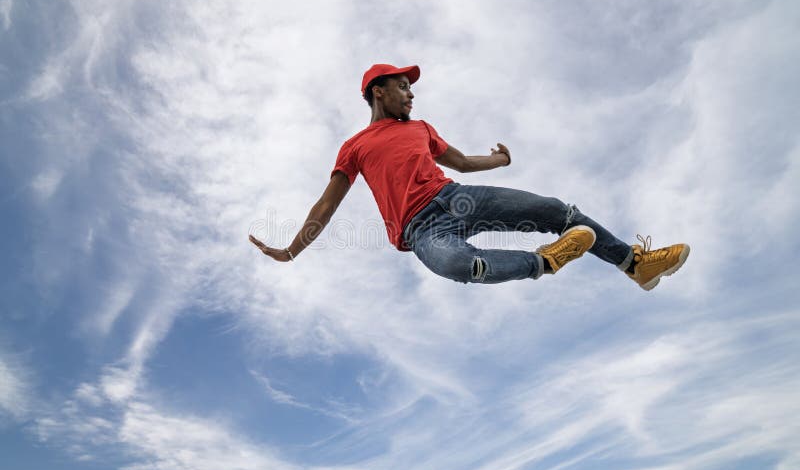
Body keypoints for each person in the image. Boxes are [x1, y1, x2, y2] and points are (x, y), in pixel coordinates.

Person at [249, 64, 689, 290]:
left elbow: (457, 161)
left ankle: (635, 264)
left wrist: (497, 161)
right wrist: (292, 250)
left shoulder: (420, 129)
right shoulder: (355, 146)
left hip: (458, 198)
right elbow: (327, 205)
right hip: (420, 229)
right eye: (404, 87)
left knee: (558, 210)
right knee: (461, 265)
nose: (412, 93)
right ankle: (546, 261)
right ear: (378, 91)